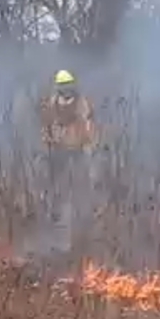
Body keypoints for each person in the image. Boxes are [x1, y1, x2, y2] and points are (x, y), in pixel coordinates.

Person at [39, 69, 96, 215]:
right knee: (56, 182)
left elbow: (88, 125)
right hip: (58, 149)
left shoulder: (82, 103)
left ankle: (82, 211)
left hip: (78, 148)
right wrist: (47, 142)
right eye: (63, 85)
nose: (66, 88)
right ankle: (56, 211)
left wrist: (89, 145)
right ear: (58, 86)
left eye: (68, 84)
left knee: (81, 181)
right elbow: (46, 125)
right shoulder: (51, 104)